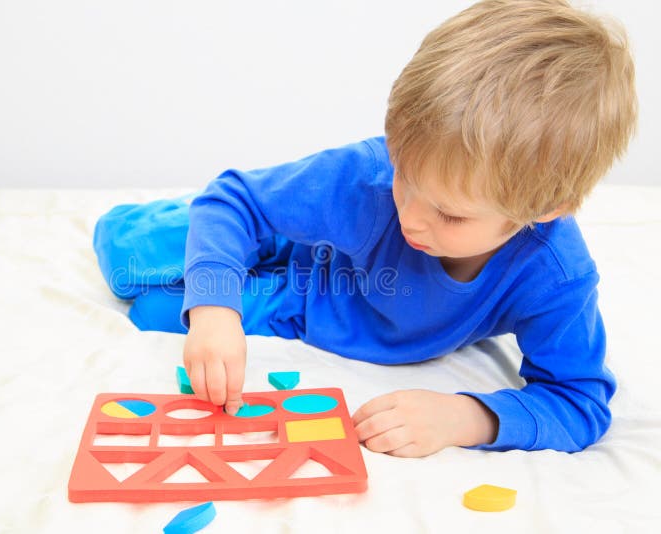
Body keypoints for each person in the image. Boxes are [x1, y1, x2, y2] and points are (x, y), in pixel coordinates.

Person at [93, 0, 637, 457]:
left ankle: (247, 265)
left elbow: (578, 401)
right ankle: (223, 237)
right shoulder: (369, 176)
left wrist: (465, 418)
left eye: (449, 213)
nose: (412, 218)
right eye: (406, 177)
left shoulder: (556, 277)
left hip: (306, 303)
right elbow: (233, 200)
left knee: (153, 314)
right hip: (307, 237)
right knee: (128, 255)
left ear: (546, 210)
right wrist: (215, 309)